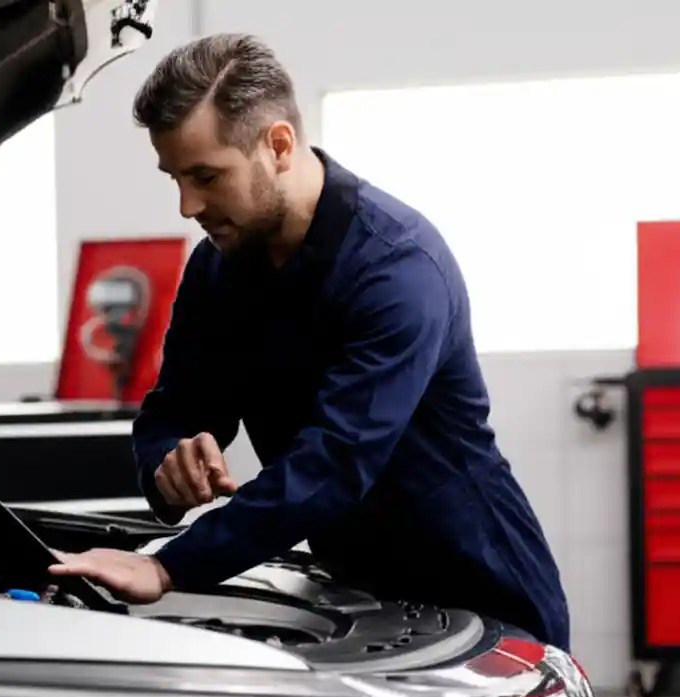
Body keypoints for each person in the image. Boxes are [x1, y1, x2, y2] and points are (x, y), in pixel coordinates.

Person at [48, 33, 570, 651]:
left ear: (278, 145)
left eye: (206, 176)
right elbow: (176, 408)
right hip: (353, 589)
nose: (188, 206)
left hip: (477, 586)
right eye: (176, 178)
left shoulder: (398, 268)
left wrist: (168, 565)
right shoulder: (218, 268)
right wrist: (169, 463)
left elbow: (336, 462)